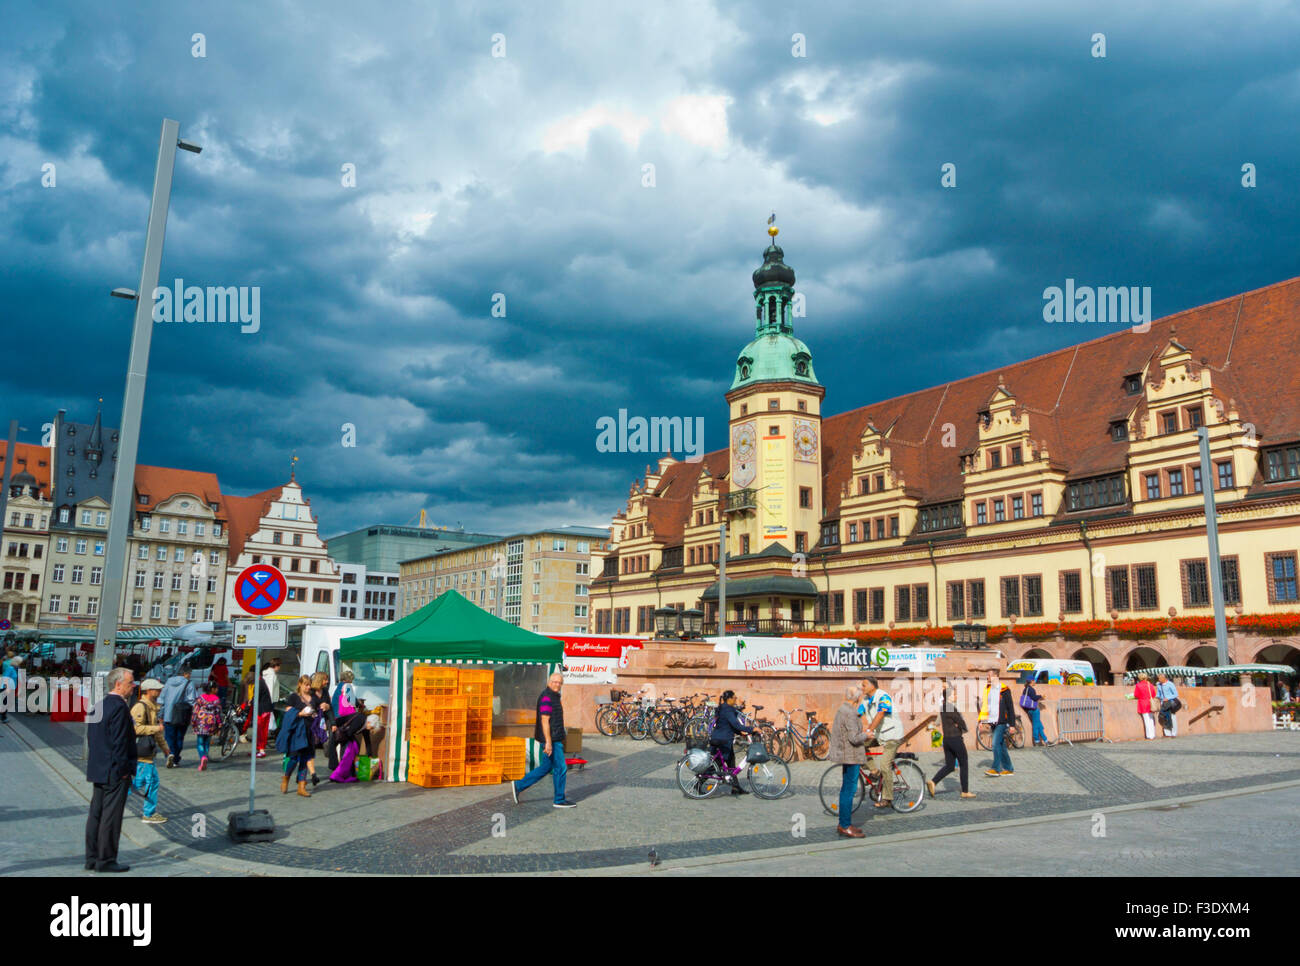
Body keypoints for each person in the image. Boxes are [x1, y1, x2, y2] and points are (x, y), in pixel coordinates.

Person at [85, 667, 137, 872]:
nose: (133, 687)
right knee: (110, 816)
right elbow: (120, 742)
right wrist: (124, 769)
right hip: (114, 770)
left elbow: (92, 739)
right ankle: (105, 859)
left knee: (96, 814)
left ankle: (91, 857)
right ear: (118, 684)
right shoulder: (119, 708)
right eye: (130, 682)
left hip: (98, 767)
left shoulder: (98, 705)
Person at [511, 671, 576, 808]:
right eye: (554, 682)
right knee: (561, 768)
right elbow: (544, 720)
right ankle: (559, 800)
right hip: (552, 739)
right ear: (548, 682)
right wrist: (548, 742)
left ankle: (519, 785)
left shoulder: (554, 696)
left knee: (546, 767)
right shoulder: (547, 697)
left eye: (559, 682)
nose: (557, 684)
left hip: (554, 737)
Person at [830, 685, 872, 837]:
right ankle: (845, 825)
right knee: (849, 791)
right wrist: (867, 735)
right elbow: (854, 738)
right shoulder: (851, 713)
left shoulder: (842, 709)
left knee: (845, 789)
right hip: (852, 756)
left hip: (845, 754)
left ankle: (844, 823)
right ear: (857, 698)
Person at [129, 678, 169, 823]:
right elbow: (135, 728)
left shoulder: (152, 706)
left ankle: (149, 812)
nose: (159, 691)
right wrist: (156, 728)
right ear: (149, 690)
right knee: (144, 783)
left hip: (147, 753)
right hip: (142, 753)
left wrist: (165, 748)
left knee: (146, 783)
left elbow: (157, 732)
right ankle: (148, 814)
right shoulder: (140, 707)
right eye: (157, 689)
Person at [861, 676, 904, 806]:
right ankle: (874, 771)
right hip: (880, 735)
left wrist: (868, 730)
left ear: (872, 685)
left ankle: (888, 798)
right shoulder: (865, 700)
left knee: (885, 764)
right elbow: (857, 714)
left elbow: (880, 714)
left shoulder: (883, 697)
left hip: (893, 735)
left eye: (864, 685)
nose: (861, 687)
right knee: (858, 746)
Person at [928, 682, 975, 799]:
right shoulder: (950, 707)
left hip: (947, 740)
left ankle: (933, 781)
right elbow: (960, 720)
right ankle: (965, 791)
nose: (956, 696)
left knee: (949, 766)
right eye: (954, 694)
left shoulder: (943, 707)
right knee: (964, 763)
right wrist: (962, 728)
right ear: (948, 696)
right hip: (955, 739)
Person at [708, 689, 756, 796]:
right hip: (723, 741)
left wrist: (741, 733)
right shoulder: (728, 710)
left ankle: (735, 787)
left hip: (721, 738)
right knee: (717, 764)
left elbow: (728, 725)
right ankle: (698, 783)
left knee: (731, 764)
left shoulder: (723, 708)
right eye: (734, 698)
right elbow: (736, 724)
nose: (735, 700)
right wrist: (752, 729)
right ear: (729, 699)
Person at [276, 675, 317, 798]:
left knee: (305, 759)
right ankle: (286, 777)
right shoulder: (293, 697)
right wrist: (300, 713)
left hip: (308, 731)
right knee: (294, 758)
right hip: (297, 732)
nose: (308, 687)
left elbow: (315, 710)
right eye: (306, 684)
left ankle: (301, 786)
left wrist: (315, 713)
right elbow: (289, 714)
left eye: (309, 684)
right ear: (300, 684)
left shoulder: (313, 698)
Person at [326, 669, 372, 773]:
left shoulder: (338, 687)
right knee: (345, 741)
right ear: (349, 678)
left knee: (336, 741)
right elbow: (351, 700)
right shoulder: (347, 686)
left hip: (335, 717)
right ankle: (343, 766)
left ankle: (336, 765)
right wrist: (359, 703)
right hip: (343, 717)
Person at [160, 663, 198, 767]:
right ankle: (175, 758)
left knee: (169, 737)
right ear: (185, 674)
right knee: (179, 737)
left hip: (168, 715)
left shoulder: (168, 682)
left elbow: (162, 698)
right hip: (182, 716)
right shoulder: (189, 684)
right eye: (189, 673)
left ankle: (170, 754)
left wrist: (161, 714)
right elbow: (192, 700)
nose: (190, 675)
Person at [983, 670, 1015, 776]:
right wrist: (983, 720)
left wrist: (1012, 725)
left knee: (995, 744)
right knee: (1001, 746)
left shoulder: (1004, 690)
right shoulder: (988, 689)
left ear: (996, 676)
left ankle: (996, 769)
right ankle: (1009, 768)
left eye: (989, 675)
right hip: (992, 721)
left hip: (1002, 722)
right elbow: (986, 706)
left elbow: (1010, 708)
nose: (987, 677)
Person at [307, 671, 333, 786]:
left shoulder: (325, 691)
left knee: (327, 744)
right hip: (310, 723)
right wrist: (317, 708)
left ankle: (332, 767)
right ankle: (312, 774)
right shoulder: (310, 692)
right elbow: (307, 706)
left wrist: (328, 707)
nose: (327, 682)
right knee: (310, 748)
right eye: (325, 679)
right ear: (320, 680)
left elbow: (330, 707)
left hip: (322, 724)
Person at [191, 679, 223, 770]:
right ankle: (205, 756)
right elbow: (217, 713)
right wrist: (219, 725)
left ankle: (202, 757)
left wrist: (193, 722)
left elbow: (195, 711)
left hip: (201, 723)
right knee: (207, 742)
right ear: (213, 689)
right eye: (216, 688)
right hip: (211, 724)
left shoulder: (200, 698)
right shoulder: (216, 700)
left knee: (200, 742)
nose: (217, 690)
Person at [1021, 677, 1047, 746]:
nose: (1035, 681)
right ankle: (1037, 741)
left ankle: (1046, 740)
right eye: (1034, 680)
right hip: (1034, 710)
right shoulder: (1031, 689)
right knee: (1036, 726)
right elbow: (1034, 697)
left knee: (1039, 726)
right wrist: (1041, 696)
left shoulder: (1025, 689)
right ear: (1031, 681)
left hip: (1029, 710)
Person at [1133, 672, 1157, 740]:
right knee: (1151, 719)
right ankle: (1153, 734)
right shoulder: (1150, 685)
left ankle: (1149, 735)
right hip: (1150, 703)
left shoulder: (1138, 685)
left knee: (1146, 720)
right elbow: (1154, 694)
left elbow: (1136, 695)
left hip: (1143, 703)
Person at [1156, 672, 1181, 738]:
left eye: (1159, 678)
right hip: (1163, 703)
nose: (1158, 680)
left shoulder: (1170, 684)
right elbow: (1158, 694)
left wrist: (1168, 698)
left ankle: (1174, 733)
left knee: (1172, 717)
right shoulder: (1159, 685)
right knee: (1164, 718)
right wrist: (1157, 697)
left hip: (1170, 703)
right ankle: (1167, 733)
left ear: (1164, 678)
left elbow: (1175, 694)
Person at [0, 655, 19, 724]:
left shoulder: (14, 669)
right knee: (5, 702)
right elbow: (5, 677)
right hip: (7, 687)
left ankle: (3, 716)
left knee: (6, 702)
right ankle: (3, 717)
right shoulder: (10, 668)